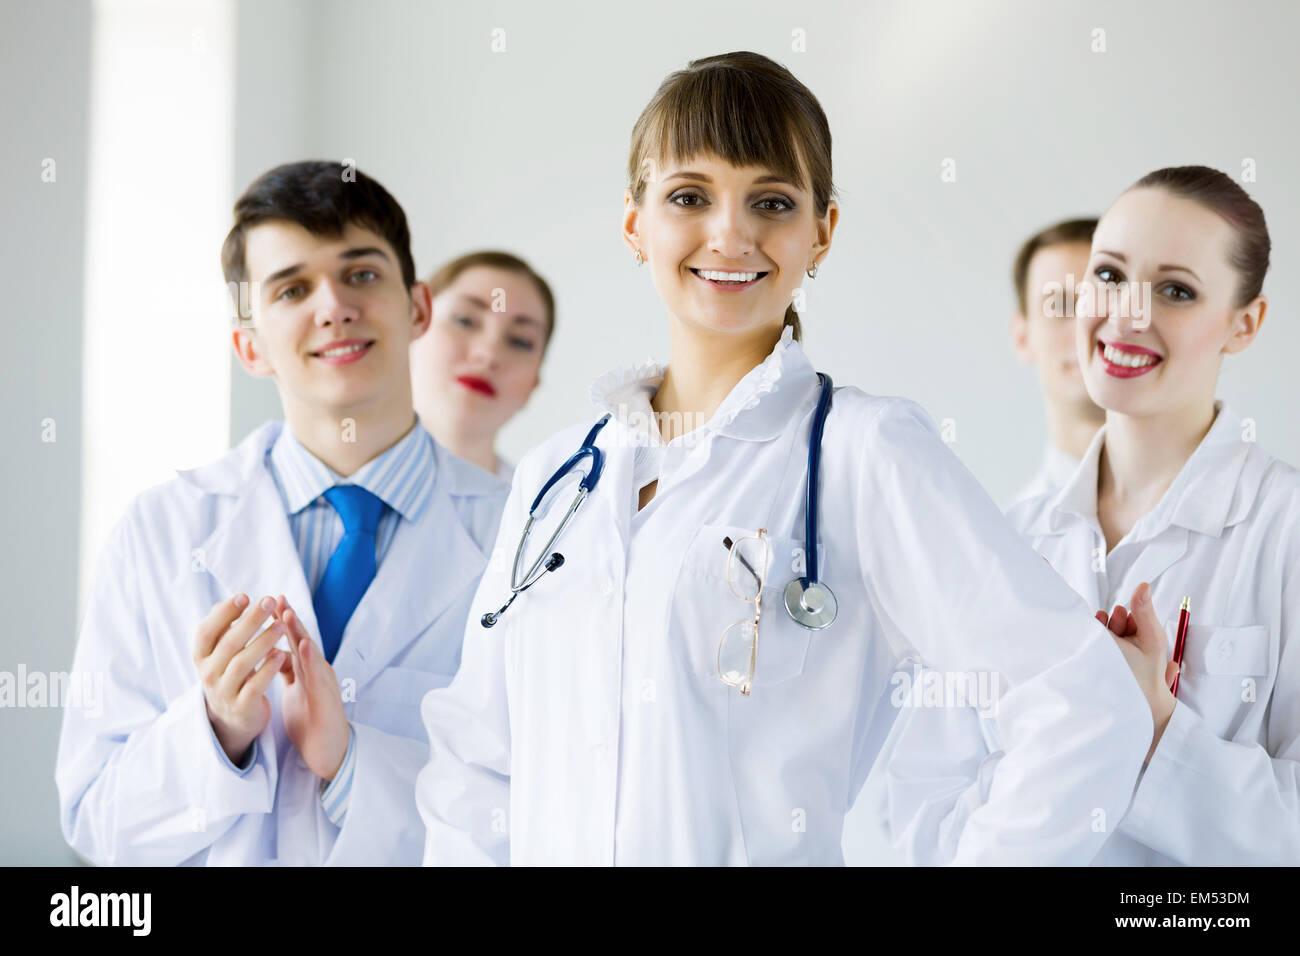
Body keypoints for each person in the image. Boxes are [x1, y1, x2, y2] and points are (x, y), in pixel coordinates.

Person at [414, 51, 1168, 866]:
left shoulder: (864, 451)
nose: (730, 234)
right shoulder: (557, 475)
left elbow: (1081, 703)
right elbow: (477, 761)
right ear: (636, 223)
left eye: (771, 201)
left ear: (822, 233)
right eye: (688, 197)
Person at [55, 161, 508, 865]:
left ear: (418, 306)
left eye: (361, 273)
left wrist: (355, 763)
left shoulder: (520, 535)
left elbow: (543, 806)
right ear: (250, 346)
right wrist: (217, 730)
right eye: (293, 288)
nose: (332, 306)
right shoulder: (161, 531)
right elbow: (95, 821)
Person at [888, 166, 1299, 865]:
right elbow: (923, 803)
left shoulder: (1282, 529)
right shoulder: (1007, 539)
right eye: (1108, 277)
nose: (1127, 314)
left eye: (1175, 290)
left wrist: (1157, 728)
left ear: (1244, 324)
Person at [410, 251, 553, 484]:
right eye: (465, 320)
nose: (488, 355)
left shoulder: (547, 515)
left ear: (534, 383)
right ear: (411, 327)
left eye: (520, 341)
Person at [1007, 218, 1105, 505]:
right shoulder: (1004, 537)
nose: (1085, 330)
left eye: (1106, 304)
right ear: (1022, 337)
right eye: (1060, 306)